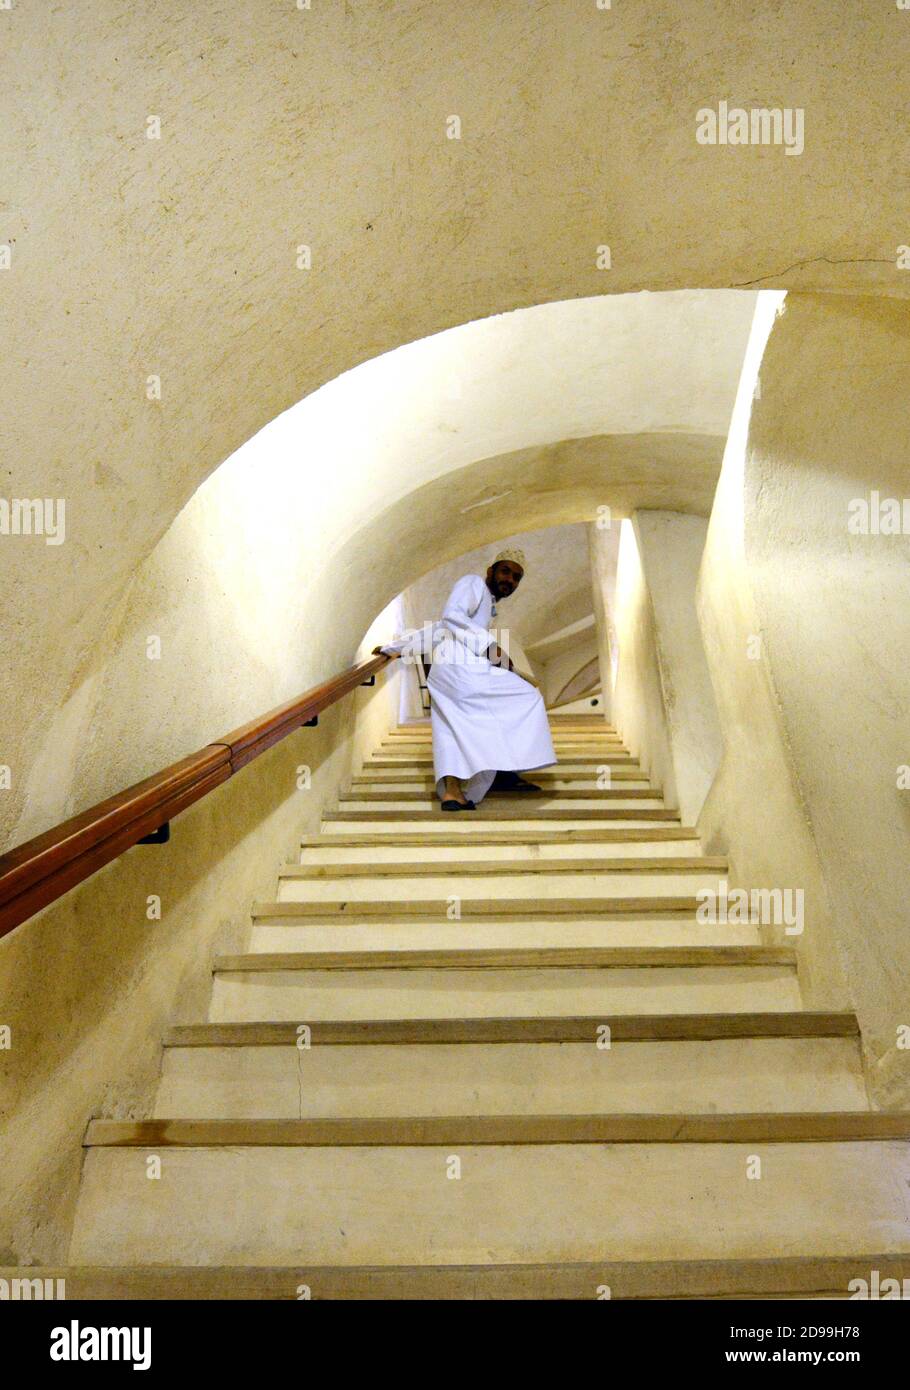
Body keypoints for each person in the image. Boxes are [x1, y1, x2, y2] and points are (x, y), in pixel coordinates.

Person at [375, 548, 556, 810]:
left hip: (447, 673)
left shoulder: (489, 607)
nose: (510, 580)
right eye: (506, 571)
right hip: (463, 669)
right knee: (527, 696)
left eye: (517, 577)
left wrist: (395, 649)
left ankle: (453, 792)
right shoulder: (473, 583)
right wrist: (489, 647)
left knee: (451, 728)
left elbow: (441, 628)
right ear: (490, 571)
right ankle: (505, 768)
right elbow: (452, 615)